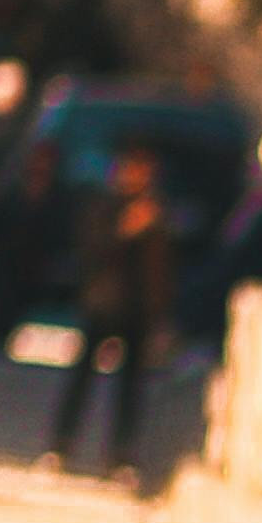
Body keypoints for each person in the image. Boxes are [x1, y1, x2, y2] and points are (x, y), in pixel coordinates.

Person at [42, 158, 171, 484]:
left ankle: (121, 454)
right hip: (103, 304)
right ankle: (61, 444)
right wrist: (126, 231)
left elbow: (161, 271)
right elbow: (91, 251)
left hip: (138, 311)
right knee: (83, 377)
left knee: (131, 386)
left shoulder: (155, 212)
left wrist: (160, 314)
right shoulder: (103, 205)